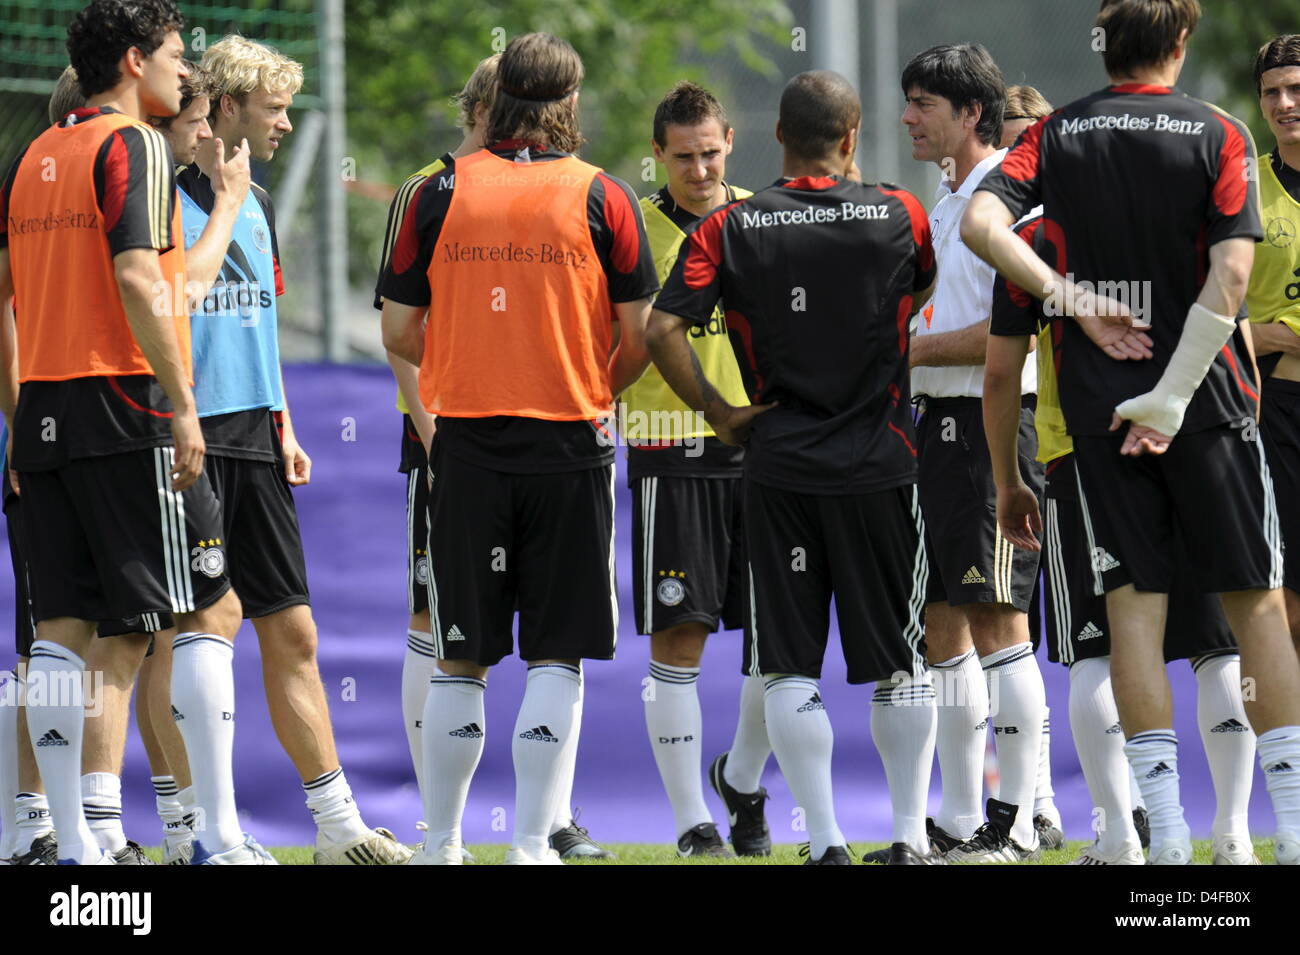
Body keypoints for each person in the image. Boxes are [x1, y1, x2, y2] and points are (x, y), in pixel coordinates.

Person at [965, 0, 1300, 866]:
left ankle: (1163, 840)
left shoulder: (1059, 134)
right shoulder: (1221, 133)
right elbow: (1230, 281)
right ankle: (1290, 830)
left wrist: (1070, 298)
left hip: (1098, 415)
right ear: (1181, 45)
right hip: (1212, 406)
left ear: (1103, 46)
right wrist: (1177, 395)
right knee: (1254, 607)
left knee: (1133, 619)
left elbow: (982, 225)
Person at [648, 69, 939, 866]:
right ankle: (911, 837)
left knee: (788, 662)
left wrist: (719, 411)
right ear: (852, 138)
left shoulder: (730, 228)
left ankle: (828, 843)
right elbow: (923, 294)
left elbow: (663, 330)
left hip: (779, 466)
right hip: (885, 462)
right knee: (901, 662)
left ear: (775, 137)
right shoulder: (902, 213)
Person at [380, 32, 656, 865]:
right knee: (555, 648)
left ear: (495, 104)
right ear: (568, 105)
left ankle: (443, 844)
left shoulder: (436, 193)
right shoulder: (605, 196)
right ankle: (533, 843)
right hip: (567, 440)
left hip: (462, 445)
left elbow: (398, 328)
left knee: (458, 653)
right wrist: (585, 384)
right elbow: (639, 334)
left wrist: (467, 374)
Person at [0, 0, 257, 864]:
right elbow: (145, 281)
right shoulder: (133, 145)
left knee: (68, 630)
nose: (188, 73)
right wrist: (182, 404)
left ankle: (74, 840)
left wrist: (20, 415)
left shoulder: (36, 151)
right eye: (179, 55)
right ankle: (215, 835)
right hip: (126, 405)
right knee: (207, 610)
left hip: (45, 411)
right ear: (136, 59)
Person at [176, 35, 409, 865]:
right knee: (200, 626)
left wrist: (284, 420)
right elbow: (171, 309)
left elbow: (259, 321)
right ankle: (206, 832)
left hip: (257, 436)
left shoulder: (262, 202)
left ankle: (337, 826)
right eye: (274, 107)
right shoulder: (164, 199)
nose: (283, 122)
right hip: (187, 436)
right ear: (228, 107)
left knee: (295, 630)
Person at [986, 203, 1258, 866]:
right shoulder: (1191, 206)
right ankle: (1233, 837)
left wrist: (1006, 481)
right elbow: (1236, 321)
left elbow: (999, 372)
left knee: (1098, 650)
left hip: (1081, 455)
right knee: (1217, 649)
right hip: (1196, 443)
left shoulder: (1029, 236)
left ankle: (1124, 837)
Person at [902, 44, 1047, 863]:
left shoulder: (1004, 200)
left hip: (994, 423)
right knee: (943, 623)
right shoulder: (953, 195)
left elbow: (1010, 339)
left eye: (923, 104)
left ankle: (1016, 822)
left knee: (998, 619)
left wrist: (906, 352)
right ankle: (962, 821)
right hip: (943, 426)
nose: (907, 118)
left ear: (970, 115)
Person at [627, 81, 771, 858]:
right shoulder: (632, 230)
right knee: (679, 639)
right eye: (682, 156)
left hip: (764, 450)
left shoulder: (762, 217)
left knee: (778, 636)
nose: (699, 168)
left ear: (731, 141)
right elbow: (618, 340)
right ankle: (692, 823)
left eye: (711, 152)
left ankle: (742, 778)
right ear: (658, 155)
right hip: (667, 447)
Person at [1246, 35, 1300, 656]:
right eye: (1271, 93)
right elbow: (1211, 310)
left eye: (1295, 88)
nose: (1285, 103)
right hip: (1273, 412)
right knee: (1283, 601)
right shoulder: (1245, 189)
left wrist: (1270, 331)